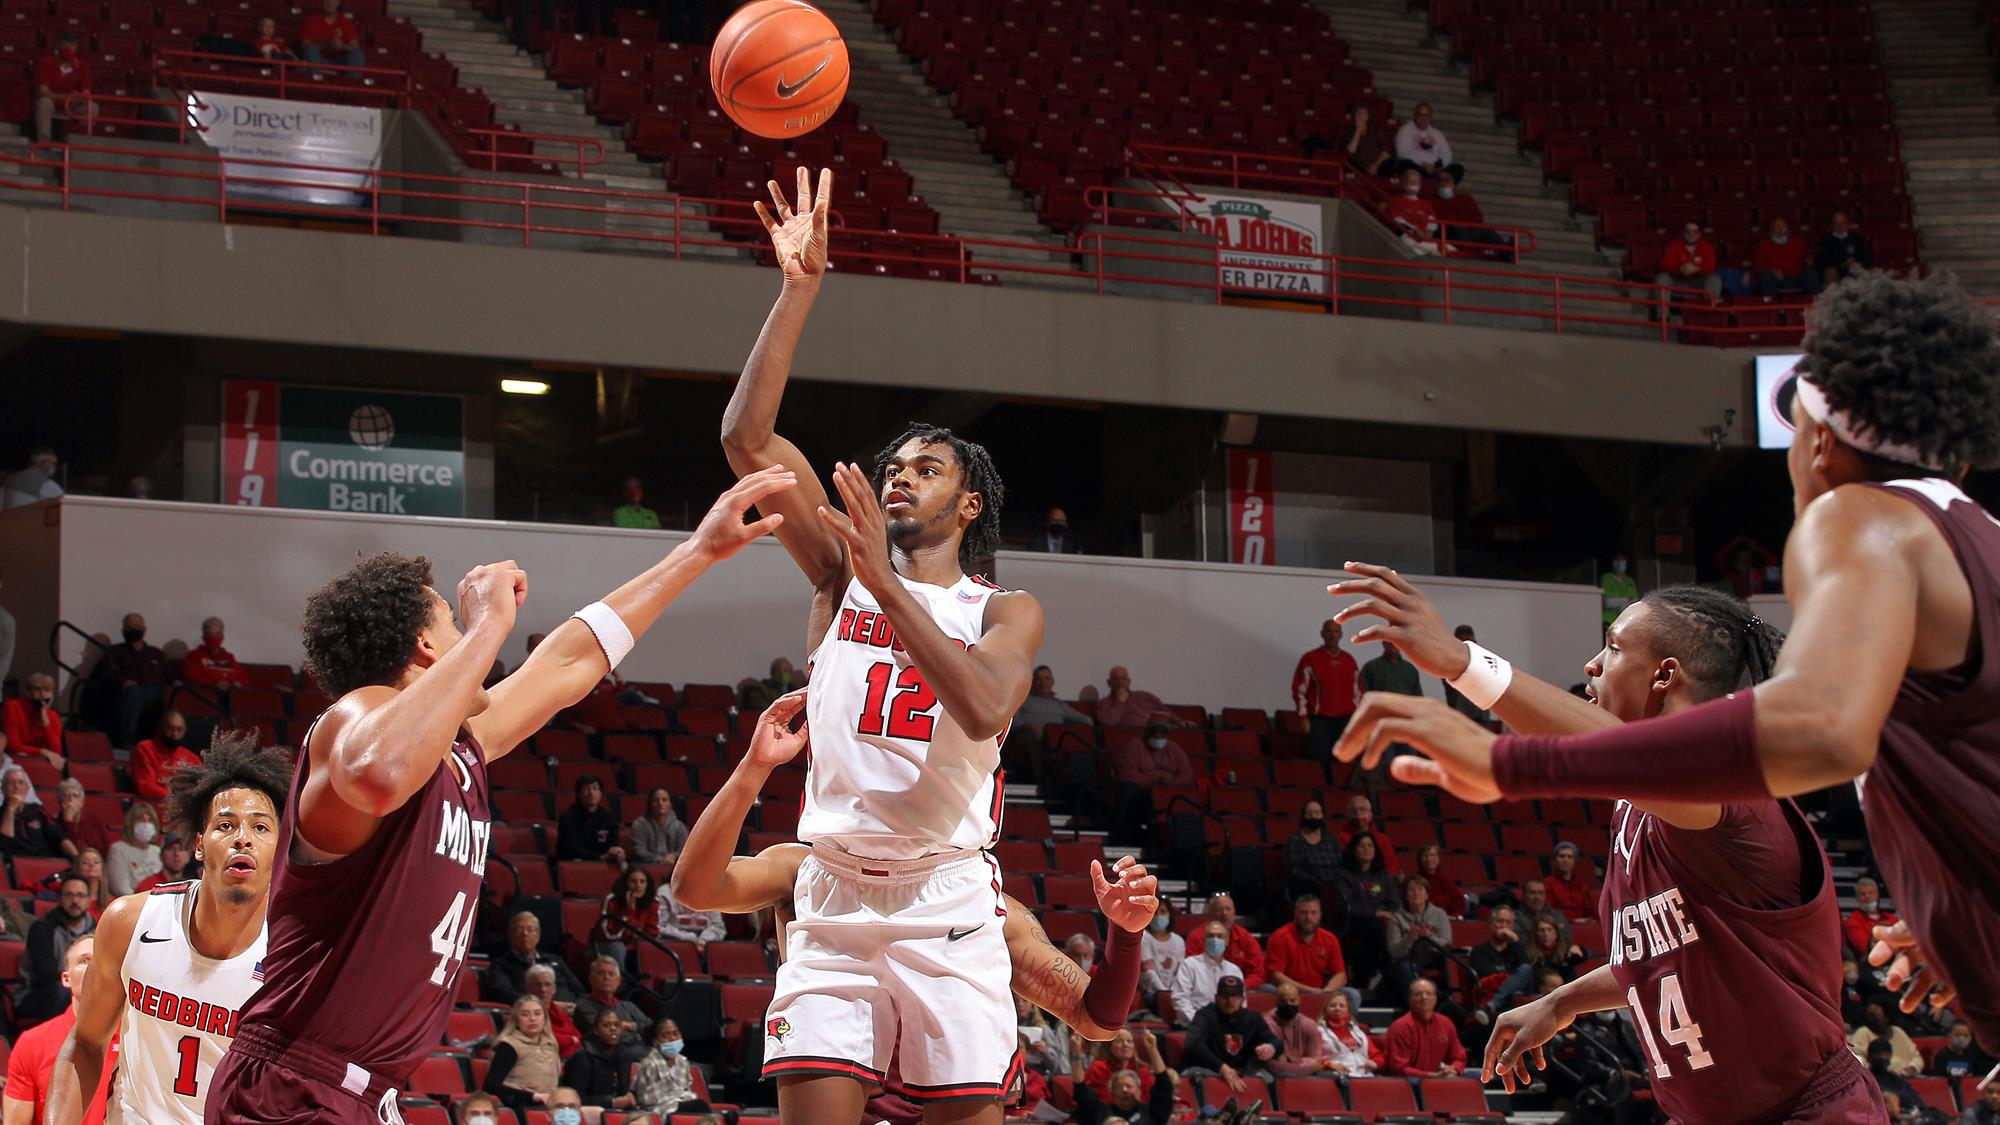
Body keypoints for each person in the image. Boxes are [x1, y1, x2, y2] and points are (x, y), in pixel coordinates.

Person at [1339, 275, 2000, 1056]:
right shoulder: (1976, 540)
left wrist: (1510, 762)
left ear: (1819, 443)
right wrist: (1963, 898)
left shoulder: (1857, 518)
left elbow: (1824, 729)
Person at [204, 471, 788, 1123]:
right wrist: (489, 625)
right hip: (293, 1087)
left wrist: (697, 552)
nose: (474, 638)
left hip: (359, 1093)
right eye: (453, 625)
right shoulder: (355, 718)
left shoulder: (458, 747)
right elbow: (379, 775)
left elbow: (567, 662)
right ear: (426, 646)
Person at [724, 167, 1048, 1125]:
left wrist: (884, 584)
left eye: (927, 468)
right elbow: (746, 440)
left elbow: (984, 708)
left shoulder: (1005, 610)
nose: (901, 477)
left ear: (970, 503)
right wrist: (798, 290)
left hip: (946, 895)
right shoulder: (840, 570)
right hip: (831, 890)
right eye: (894, 466)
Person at [1330, 570, 1884, 1119]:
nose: (1591, 665)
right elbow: (1662, 958)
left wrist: (1465, 664)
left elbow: (1625, 755)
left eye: (1614, 647)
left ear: (1665, 675)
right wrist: (1561, 1002)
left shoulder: (1731, 792)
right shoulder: (1637, 808)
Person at [663, 689, 1157, 1076]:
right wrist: (754, 767)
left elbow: (1095, 1020)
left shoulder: (984, 906)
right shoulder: (804, 870)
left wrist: (1127, 933)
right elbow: (694, 887)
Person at [47, 733, 291, 1125]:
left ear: (280, 849)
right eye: (225, 825)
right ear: (199, 844)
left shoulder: (295, 956)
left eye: (261, 828)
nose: (243, 838)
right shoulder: (131, 921)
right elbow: (86, 1043)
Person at [4, 937, 114, 1125]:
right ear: (66, 978)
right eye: (84, 961)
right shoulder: (33, 1043)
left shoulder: (136, 1040)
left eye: (100, 960)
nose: (94, 968)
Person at [1179, 975, 1279, 1108]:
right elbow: (1192, 1044)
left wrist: (1270, 1047)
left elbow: (1276, 1042)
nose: (1230, 1001)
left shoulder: (1253, 1018)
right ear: (1216, 998)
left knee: (1268, 1079)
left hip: (1240, 1071)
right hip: (1209, 1069)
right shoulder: (1205, 1016)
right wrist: (1222, 1068)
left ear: (1242, 999)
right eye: (1225, 996)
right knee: (1195, 1076)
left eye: (1235, 997)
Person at [1263, 894, 1359, 1015]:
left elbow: (1341, 975)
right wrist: (1310, 991)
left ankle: (1346, 1026)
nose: (1309, 917)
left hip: (1320, 991)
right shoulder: (1280, 937)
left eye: (1314, 913)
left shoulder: (1329, 939)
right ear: (1295, 914)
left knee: (1352, 994)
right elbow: (1275, 976)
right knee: (1268, 989)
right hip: (1289, 991)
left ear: (1320, 915)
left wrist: (1326, 991)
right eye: (1304, 913)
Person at [20, 876, 97, 1021]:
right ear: (59, 898)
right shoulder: (42, 928)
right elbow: (46, 974)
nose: (75, 901)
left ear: (88, 900)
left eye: (80, 895)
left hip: (81, 985)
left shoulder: (97, 929)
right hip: (38, 992)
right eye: (69, 895)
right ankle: (58, 1033)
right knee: (62, 990)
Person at [1332, 832, 1396, 992]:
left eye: (1370, 845)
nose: (1366, 849)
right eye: (1361, 846)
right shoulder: (1343, 875)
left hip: (1384, 922)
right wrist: (1374, 914)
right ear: (1353, 850)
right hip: (1353, 924)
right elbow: (1346, 906)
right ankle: (1369, 975)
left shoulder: (1383, 874)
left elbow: (1395, 902)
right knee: (1373, 928)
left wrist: (1387, 914)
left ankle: (1389, 977)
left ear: (1375, 850)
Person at [96, 614, 169, 750]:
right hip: (128, 691)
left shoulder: (157, 654)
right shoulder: (115, 651)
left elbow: (168, 677)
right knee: (135, 693)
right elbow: (109, 674)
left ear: (144, 630)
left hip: (154, 691)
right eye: (129, 627)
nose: (133, 630)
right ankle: (127, 738)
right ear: (123, 630)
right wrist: (124, 681)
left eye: (136, 627)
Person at [1293, 620, 1360, 765]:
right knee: (1318, 763)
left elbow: (1358, 693)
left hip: (1345, 721)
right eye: (1329, 631)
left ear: (1341, 635)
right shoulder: (1310, 659)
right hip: (1320, 721)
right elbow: (1299, 692)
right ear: (1322, 634)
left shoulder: (1349, 660)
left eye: (1336, 631)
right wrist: (1303, 718)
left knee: (1341, 764)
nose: (1332, 635)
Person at [483, 994, 563, 1114]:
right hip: (520, 1105)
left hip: (549, 1106)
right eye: (525, 1015)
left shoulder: (551, 1044)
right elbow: (491, 1086)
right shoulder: (508, 1046)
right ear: (516, 1020)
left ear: (545, 1018)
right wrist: (533, 1096)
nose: (532, 1019)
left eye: (537, 1014)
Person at [1070, 1035, 1176, 1125]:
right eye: (1119, 1087)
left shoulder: (1152, 1113)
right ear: (1111, 1092)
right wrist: (1075, 1054)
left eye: (1129, 1086)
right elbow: (1081, 1090)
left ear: (1139, 1090)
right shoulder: (1100, 1112)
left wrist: (1152, 1049)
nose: (1124, 1090)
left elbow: (1164, 1087)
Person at [488, 910, 585, 1005]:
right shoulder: (501, 965)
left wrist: (576, 1007)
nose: (525, 934)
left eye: (530, 930)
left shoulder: (555, 960)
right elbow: (504, 994)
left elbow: (579, 990)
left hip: (570, 1009)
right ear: (511, 935)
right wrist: (548, 1006)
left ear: (538, 935)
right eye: (519, 930)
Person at [562, 1007, 643, 1117]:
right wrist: (610, 1102)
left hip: (617, 1113)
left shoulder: (624, 1055)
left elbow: (623, 1090)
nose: (613, 1029)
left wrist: (629, 1095)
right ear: (596, 1031)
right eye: (606, 1025)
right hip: (587, 1114)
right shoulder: (582, 1057)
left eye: (617, 1025)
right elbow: (574, 1098)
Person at [1383, 875, 1452, 1000]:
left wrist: (1428, 936)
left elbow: (1447, 943)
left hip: (1434, 959)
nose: (1416, 893)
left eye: (1420, 889)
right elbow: (1394, 952)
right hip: (1408, 961)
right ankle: (1417, 1003)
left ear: (1427, 895)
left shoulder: (1439, 914)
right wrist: (1408, 939)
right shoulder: (1397, 918)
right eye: (1411, 890)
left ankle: (1450, 1002)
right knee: (1405, 967)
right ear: (1406, 895)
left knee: (1451, 963)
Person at [1181, 893, 1265, 991]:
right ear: (1211, 913)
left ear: (1234, 912)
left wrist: (1239, 987)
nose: (1224, 913)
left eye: (1228, 909)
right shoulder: (1196, 937)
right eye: (1219, 909)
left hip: (1239, 990)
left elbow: (1258, 973)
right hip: (1204, 987)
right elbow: (1191, 970)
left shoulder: (1246, 938)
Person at [1384, 979, 1466, 1078]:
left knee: (1476, 1076)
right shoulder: (1400, 1027)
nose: (1424, 997)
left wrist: (1454, 1069)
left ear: (1435, 999)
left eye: (1428, 993)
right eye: (1418, 994)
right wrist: (1432, 1076)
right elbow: (1398, 1068)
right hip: (1410, 1080)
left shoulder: (1446, 1023)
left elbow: (1459, 1056)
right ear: (1410, 1000)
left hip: (1440, 1076)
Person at [1469, 904, 1534, 1024]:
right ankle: (1493, 1004)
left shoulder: (1515, 949)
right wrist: (1514, 980)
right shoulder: (1479, 951)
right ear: (1492, 924)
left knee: (1525, 969)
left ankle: (1492, 1005)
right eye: (1500, 921)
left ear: (1513, 926)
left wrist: (1515, 941)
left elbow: (1528, 972)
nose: (1504, 926)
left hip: (1516, 997)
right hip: (1493, 993)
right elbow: (1491, 975)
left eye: (1508, 922)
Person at [1172, 918, 1242, 1027]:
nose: (1215, 940)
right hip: (1195, 1027)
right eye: (1211, 936)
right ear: (1204, 940)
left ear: (1227, 941)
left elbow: (1241, 1003)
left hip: (1227, 1028)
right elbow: (1179, 1000)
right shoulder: (1189, 965)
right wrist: (1202, 1024)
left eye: (1220, 936)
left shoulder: (1234, 970)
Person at [631, 1018, 708, 1117]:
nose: (672, 1038)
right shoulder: (648, 1064)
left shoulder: (682, 1062)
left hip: (681, 1105)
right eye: (666, 1035)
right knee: (700, 1106)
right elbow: (646, 1100)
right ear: (655, 1042)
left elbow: (686, 1090)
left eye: (676, 1034)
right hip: (659, 1110)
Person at [589, 866, 660, 971]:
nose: (638, 886)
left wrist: (636, 940)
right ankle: (620, 981)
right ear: (625, 884)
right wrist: (629, 911)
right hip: (606, 944)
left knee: (652, 949)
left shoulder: (653, 902)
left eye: (642, 881)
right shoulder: (612, 900)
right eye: (633, 881)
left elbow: (652, 933)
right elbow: (609, 935)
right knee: (618, 948)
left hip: (635, 945)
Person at [573, 956, 651, 1050]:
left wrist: (630, 1025)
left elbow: (652, 1028)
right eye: (600, 973)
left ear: (618, 981)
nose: (606, 978)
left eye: (611, 974)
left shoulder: (628, 1006)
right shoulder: (583, 1008)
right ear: (590, 979)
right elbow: (608, 1035)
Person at [1432, 170, 1511, 260]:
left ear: (1453, 184)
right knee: (1457, 232)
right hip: (1448, 231)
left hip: (1469, 229)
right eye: (1441, 181)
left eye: (1447, 181)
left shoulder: (1465, 198)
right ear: (1436, 184)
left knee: (1486, 232)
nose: (1444, 183)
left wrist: (1466, 226)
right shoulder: (1432, 200)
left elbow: (1477, 217)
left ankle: (1506, 251)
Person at [30, 33, 92, 143]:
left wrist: (75, 97)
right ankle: (44, 142)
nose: (69, 49)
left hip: (72, 104)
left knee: (92, 107)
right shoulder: (46, 63)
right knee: (44, 102)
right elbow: (43, 91)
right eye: (66, 46)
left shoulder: (82, 66)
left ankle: (82, 144)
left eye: (72, 46)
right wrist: (67, 97)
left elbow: (86, 93)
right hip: (52, 102)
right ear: (58, 46)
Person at [1263, 981, 1334, 1076]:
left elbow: (1315, 1060)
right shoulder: (1266, 1023)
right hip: (1275, 1075)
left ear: (1299, 1001)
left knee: (1329, 1076)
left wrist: (1309, 1065)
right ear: (1276, 1002)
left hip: (1305, 1074)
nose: (1288, 1004)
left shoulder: (1308, 1024)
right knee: (1287, 1075)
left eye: (1292, 1001)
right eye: (1283, 1001)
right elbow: (1271, 1064)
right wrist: (1306, 1066)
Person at [1281, 800, 1344, 903]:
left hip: (1333, 885)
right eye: (1309, 813)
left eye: (1316, 813)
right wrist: (1319, 882)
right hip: (1307, 886)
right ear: (1303, 817)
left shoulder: (1332, 840)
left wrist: (1331, 880)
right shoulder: (1295, 840)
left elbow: (1340, 865)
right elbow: (1294, 870)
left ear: (1322, 816)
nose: (1313, 816)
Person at [132, 711, 203, 801]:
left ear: (185, 730)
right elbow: (146, 786)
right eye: (170, 728)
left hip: (183, 805)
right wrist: (177, 799)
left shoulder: (193, 758)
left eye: (179, 729)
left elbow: (200, 788)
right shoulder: (145, 748)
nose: (174, 734)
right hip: (153, 803)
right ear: (161, 728)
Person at [0, 762, 64, 858]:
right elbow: (4, 847)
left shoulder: (37, 810)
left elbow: (60, 837)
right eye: (11, 782)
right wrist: (11, 809)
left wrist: (76, 856)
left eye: (21, 783)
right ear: (3, 789)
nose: (17, 786)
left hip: (45, 861)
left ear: (27, 789)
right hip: (15, 863)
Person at [556, 775, 624, 863]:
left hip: (604, 862)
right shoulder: (567, 817)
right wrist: (600, 857)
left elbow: (613, 844)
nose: (591, 793)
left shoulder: (609, 817)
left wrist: (616, 852)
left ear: (600, 794)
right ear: (579, 794)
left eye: (595, 789)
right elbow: (569, 849)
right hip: (576, 863)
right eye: (586, 789)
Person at [4, 673, 65, 767]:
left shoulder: (53, 716)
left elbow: (56, 750)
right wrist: (42, 751)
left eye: (47, 690)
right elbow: (13, 746)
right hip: (19, 756)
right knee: (22, 755)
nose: (42, 694)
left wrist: (45, 722)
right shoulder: (13, 707)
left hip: (40, 757)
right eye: (37, 690)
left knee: (60, 761)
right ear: (28, 693)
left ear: (52, 695)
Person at [525, 965, 585, 1059]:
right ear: (528, 989)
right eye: (537, 985)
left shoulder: (558, 1012)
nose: (543, 990)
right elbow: (545, 1039)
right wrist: (571, 1040)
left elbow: (579, 1038)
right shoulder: (525, 1013)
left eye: (547, 985)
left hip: (575, 1058)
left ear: (554, 989)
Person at [104, 802, 163, 897]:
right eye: (141, 820)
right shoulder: (118, 849)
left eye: (150, 821)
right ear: (131, 824)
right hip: (133, 901)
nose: (146, 825)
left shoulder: (157, 851)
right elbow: (121, 889)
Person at [1654, 222, 1723, 302]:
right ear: (1683, 233)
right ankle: (1663, 310)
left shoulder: (1707, 247)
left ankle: (1709, 309)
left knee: (1714, 279)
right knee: (1662, 278)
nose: (1691, 235)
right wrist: (1680, 268)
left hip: (1698, 280)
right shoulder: (1674, 245)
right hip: (1677, 279)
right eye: (1688, 231)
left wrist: (1697, 269)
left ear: (1699, 234)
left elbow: (1710, 267)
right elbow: (1665, 265)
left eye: (1695, 232)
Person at [654, 871, 724, 950]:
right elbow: (659, 926)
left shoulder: (710, 892)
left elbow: (718, 927)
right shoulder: (665, 892)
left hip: (704, 945)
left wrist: (703, 941)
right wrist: (689, 938)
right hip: (673, 944)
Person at [1848, 1003, 1922, 1076]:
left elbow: (1916, 1057)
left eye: (1874, 1016)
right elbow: (1857, 1059)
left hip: (1904, 1078)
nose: (1871, 1019)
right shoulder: (1863, 1032)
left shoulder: (1898, 1031)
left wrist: (1913, 1068)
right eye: (1869, 1016)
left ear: (1887, 1017)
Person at [1439, 626, 1493, 726]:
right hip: (1461, 718)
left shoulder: (1483, 661)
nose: (1467, 647)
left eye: (1470, 643)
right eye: (1463, 643)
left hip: (1482, 717)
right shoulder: (1449, 663)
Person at [1392, 102, 1461, 180]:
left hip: (1435, 168)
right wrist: (1423, 163)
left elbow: (1447, 153)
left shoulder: (1437, 133)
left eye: (1426, 115)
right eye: (1420, 115)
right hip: (1416, 167)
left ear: (1430, 117)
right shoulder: (1405, 130)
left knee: (1457, 168)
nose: (1423, 118)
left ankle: (1439, 176)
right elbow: (1402, 153)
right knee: (1405, 164)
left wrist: (1439, 167)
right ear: (1415, 115)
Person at [1318, 991, 1381, 1076]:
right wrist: (1328, 1065)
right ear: (1325, 1010)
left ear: (1348, 1010)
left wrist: (1375, 1063)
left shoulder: (1357, 1032)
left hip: (1365, 1076)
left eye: (1342, 1006)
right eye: (1332, 1006)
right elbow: (1310, 1058)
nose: (1337, 1008)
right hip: (1336, 1077)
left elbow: (1377, 1055)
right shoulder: (1318, 1031)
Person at [1755, 218, 1820, 297]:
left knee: (1811, 273)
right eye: (1777, 226)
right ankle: (1771, 303)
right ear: (1771, 230)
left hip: (1797, 277)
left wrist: (1809, 260)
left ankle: (1817, 302)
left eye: (1783, 226)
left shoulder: (1797, 241)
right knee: (1766, 276)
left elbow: (1809, 256)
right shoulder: (1764, 244)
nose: (1781, 228)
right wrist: (1772, 271)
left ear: (1788, 229)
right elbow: (1759, 267)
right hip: (1777, 279)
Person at [1094, 666, 1176, 728]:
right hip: (1134, 737)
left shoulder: (1145, 696)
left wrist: (1179, 721)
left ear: (1129, 681)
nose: (1120, 683)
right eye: (1116, 679)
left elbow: (1164, 711)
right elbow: (1109, 723)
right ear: (1109, 683)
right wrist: (1119, 702)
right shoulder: (1104, 703)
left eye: (1123, 679)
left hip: (1162, 731)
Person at [1337, 795, 1401, 874]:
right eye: (1354, 810)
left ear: (1370, 815)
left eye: (1362, 809)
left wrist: (1380, 880)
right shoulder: (1340, 838)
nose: (1358, 814)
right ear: (1348, 815)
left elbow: (1392, 865)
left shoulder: (1383, 839)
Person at [1385, 168, 1443, 255]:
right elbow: (1397, 219)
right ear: (1404, 184)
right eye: (1411, 181)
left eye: (1416, 182)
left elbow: (1432, 221)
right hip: (1407, 237)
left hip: (1425, 238)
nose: (1414, 184)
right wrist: (1415, 230)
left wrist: (1428, 233)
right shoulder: (1396, 201)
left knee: (1447, 249)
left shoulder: (1426, 204)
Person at [182, 618, 250, 691]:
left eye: (217, 634)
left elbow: (244, 679)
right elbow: (193, 678)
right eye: (209, 634)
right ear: (203, 636)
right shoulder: (194, 656)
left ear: (222, 636)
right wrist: (214, 684)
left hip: (230, 695)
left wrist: (236, 684)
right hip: (205, 695)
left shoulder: (229, 657)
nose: (213, 638)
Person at [1138, 899, 1183, 1009]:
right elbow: (1148, 971)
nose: (1158, 916)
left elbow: (1179, 971)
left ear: (1170, 914)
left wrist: (1172, 992)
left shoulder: (1179, 941)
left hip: (1173, 992)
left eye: (1163, 912)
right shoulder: (1143, 937)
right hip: (1151, 993)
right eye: (1155, 913)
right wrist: (1164, 993)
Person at [626, 787, 687, 867]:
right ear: (650, 804)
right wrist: (659, 859)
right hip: (645, 866)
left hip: (672, 866)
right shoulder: (639, 824)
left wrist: (673, 855)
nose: (660, 803)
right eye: (656, 800)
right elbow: (638, 850)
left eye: (664, 800)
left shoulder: (679, 826)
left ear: (670, 804)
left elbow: (684, 850)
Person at [1864, 1039, 1929, 1113]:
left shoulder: (1896, 1079)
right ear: (1869, 1057)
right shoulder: (1865, 1079)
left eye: (1886, 1054)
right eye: (1878, 1055)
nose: (1882, 1058)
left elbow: (1919, 1103)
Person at [298, 0, 363, 71]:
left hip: (339, 60)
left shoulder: (345, 21)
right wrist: (327, 45)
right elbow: (304, 45)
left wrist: (342, 46)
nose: (330, 3)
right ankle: (316, 76)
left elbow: (355, 45)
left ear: (339, 3)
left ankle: (350, 78)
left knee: (357, 55)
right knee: (310, 51)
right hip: (318, 59)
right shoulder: (313, 20)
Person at [1815, 211, 1873, 289]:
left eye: (1843, 223)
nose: (1840, 226)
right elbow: (1821, 261)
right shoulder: (1826, 240)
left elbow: (1866, 257)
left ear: (1848, 224)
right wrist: (1842, 264)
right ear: (1832, 225)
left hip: (1853, 270)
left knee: (1861, 271)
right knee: (1829, 272)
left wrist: (1856, 262)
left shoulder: (1856, 238)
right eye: (1836, 224)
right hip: (1835, 271)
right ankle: (1830, 296)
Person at [1844, 875, 1898, 958]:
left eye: (1871, 893)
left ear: (1877, 894)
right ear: (1857, 898)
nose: (1867, 896)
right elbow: (1864, 947)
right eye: (1863, 894)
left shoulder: (1891, 918)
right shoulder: (1853, 920)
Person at [1542, 841, 1595, 922]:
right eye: (1562, 856)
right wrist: (1573, 921)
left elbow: (1591, 912)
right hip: (1559, 925)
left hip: (1584, 925)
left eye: (1570, 857)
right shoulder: (1547, 884)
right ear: (1554, 860)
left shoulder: (1582, 886)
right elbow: (1548, 913)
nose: (1565, 860)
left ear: (1574, 862)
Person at [1933, 1020, 1998, 1081]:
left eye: (1965, 1035)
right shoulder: (1942, 1055)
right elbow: (1939, 1079)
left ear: (1971, 1038)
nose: (1962, 1038)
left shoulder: (1972, 1055)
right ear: (1949, 1036)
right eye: (1957, 1035)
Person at [1412, 843, 1463, 917]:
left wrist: (1451, 917)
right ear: (1420, 859)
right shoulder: (1413, 881)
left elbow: (1459, 904)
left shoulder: (1446, 880)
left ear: (1439, 858)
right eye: (1425, 855)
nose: (1429, 859)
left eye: (1433, 855)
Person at [1340, 103, 1391, 176]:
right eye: (1358, 113)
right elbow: (1351, 151)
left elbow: (1386, 151)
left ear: (1368, 116)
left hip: (1378, 165)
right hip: (1359, 166)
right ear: (1354, 116)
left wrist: (1375, 166)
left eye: (1364, 113)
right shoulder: (1349, 132)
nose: (1361, 116)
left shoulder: (1376, 131)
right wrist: (1358, 130)